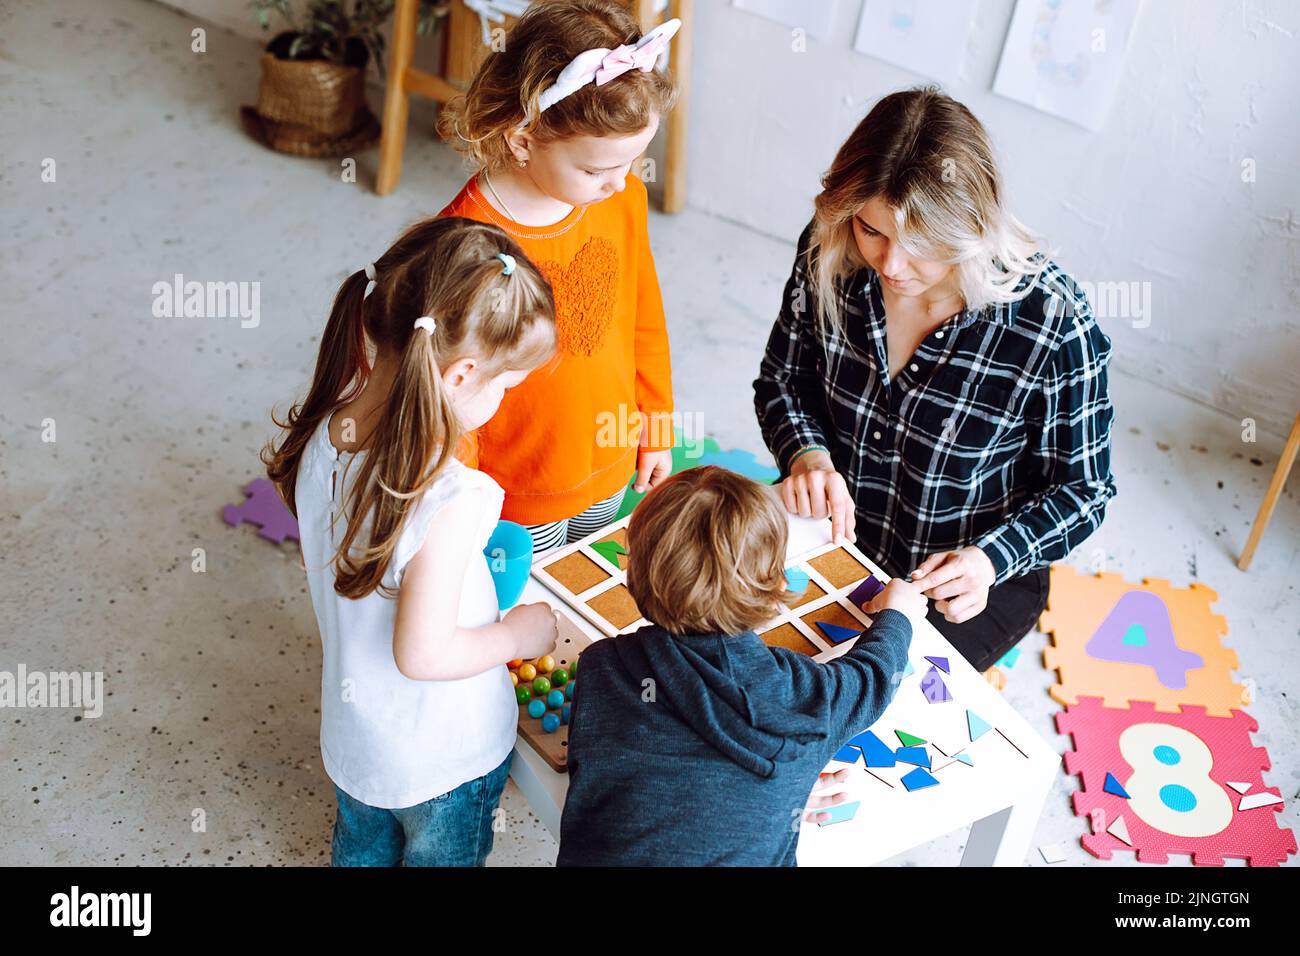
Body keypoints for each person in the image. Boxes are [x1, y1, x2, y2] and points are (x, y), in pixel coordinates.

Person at [754, 86, 1116, 674]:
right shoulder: (832, 249)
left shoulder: (1052, 322)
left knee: (870, 711)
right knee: (738, 667)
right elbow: (782, 380)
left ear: (970, 225)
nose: (891, 266)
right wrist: (807, 457)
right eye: (873, 230)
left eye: (921, 245)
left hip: (960, 591)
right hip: (826, 540)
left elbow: (1083, 491)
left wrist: (988, 562)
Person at [264, 217, 560, 865]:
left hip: (357, 743)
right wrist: (519, 635)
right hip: (444, 756)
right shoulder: (452, 497)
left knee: (361, 847)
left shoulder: (327, 428)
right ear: (460, 376)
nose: (506, 400)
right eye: (507, 386)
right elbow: (422, 654)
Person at [557, 466, 926, 866]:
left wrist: (772, 796)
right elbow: (873, 679)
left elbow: (627, 781)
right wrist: (897, 616)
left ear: (634, 575)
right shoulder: (806, 699)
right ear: (776, 591)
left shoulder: (602, 668)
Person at [436, 0, 683, 554]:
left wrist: (656, 424)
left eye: (633, 162)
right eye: (597, 169)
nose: (620, 184)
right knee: (516, 615)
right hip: (511, 494)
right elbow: (449, 391)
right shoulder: (461, 244)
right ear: (522, 138)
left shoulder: (622, 200)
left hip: (611, 468)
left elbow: (643, 317)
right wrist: (461, 496)